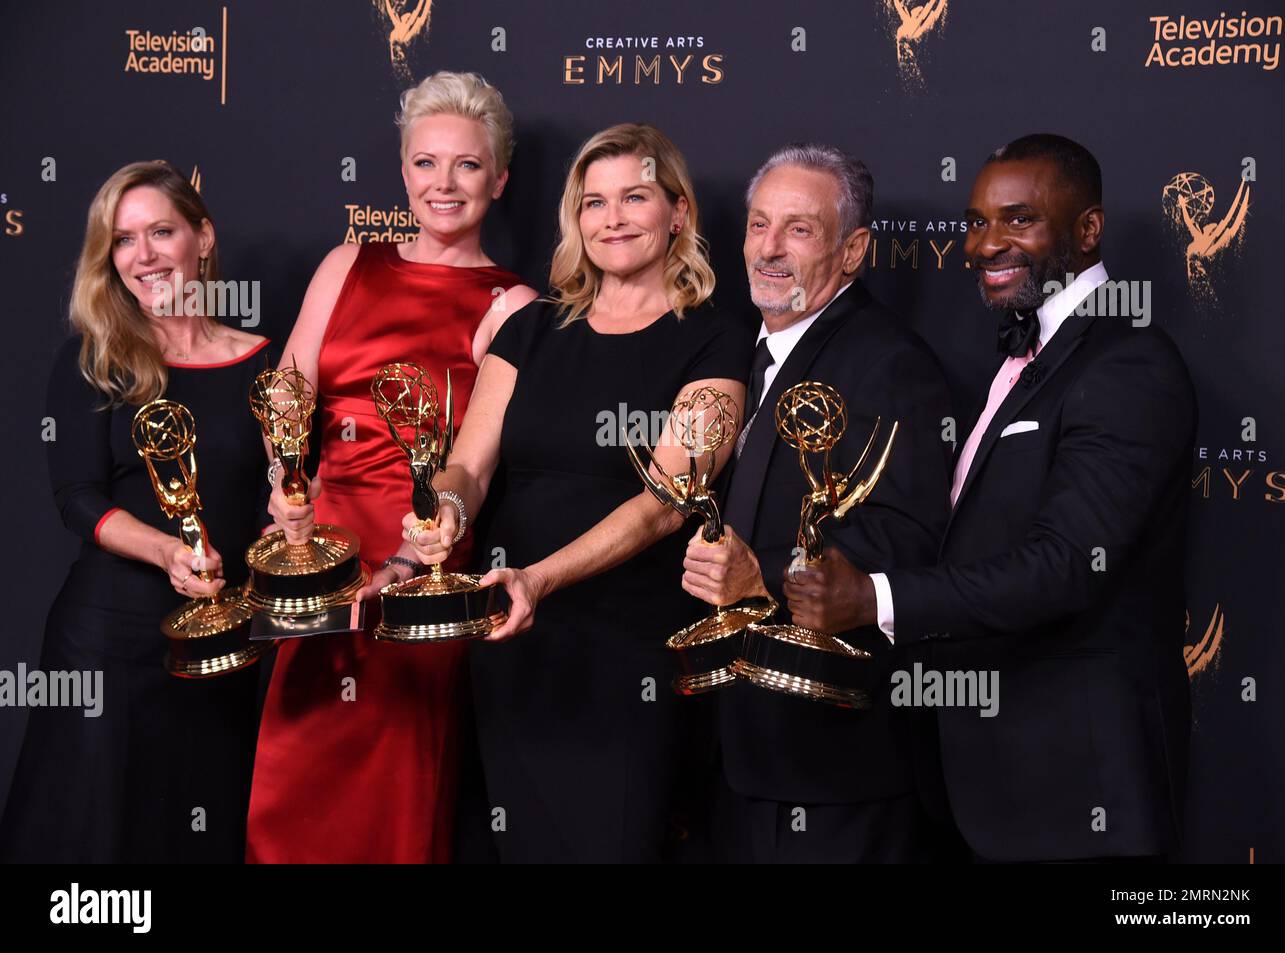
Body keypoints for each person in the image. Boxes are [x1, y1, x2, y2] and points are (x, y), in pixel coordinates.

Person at [785, 134, 1195, 863]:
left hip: (1078, 795)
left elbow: (1065, 564)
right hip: (980, 785)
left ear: (1089, 229)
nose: (985, 243)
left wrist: (872, 597)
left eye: (1018, 219)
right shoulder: (1022, 352)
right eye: (976, 221)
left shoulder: (1127, 361)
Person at [402, 123, 750, 862]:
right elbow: (469, 462)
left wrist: (540, 578)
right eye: (594, 202)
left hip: (628, 652)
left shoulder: (716, 338)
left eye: (636, 197)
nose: (613, 218)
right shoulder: (531, 328)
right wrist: (446, 510)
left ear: (678, 212)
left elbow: (667, 500)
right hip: (514, 639)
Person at [247, 72, 536, 863]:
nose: (443, 184)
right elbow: (289, 397)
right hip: (316, 552)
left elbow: (474, 460)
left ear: (500, 179)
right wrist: (285, 487)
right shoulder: (347, 263)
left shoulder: (512, 303)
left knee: (393, 800)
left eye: (468, 166)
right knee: (292, 788)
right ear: (402, 172)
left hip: (423, 564)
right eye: (425, 162)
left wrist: (413, 555)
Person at [678, 144, 954, 863]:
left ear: (854, 248)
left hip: (833, 767)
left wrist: (759, 578)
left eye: (799, 229)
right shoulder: (738, 354)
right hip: (737, 754)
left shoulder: (893, 364)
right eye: (759, 224)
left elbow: (904, 543)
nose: (769, 248)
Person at [0, 161, 270, 863]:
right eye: (123, 240)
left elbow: (285, 493)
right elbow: (77, 499)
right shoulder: (93, 358)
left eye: (161, 232)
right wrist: (168, 553)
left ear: (202, 239)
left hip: (223, 648)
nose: (143, 255)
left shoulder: (268, 364)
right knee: (93, 845)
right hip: (107, 643)